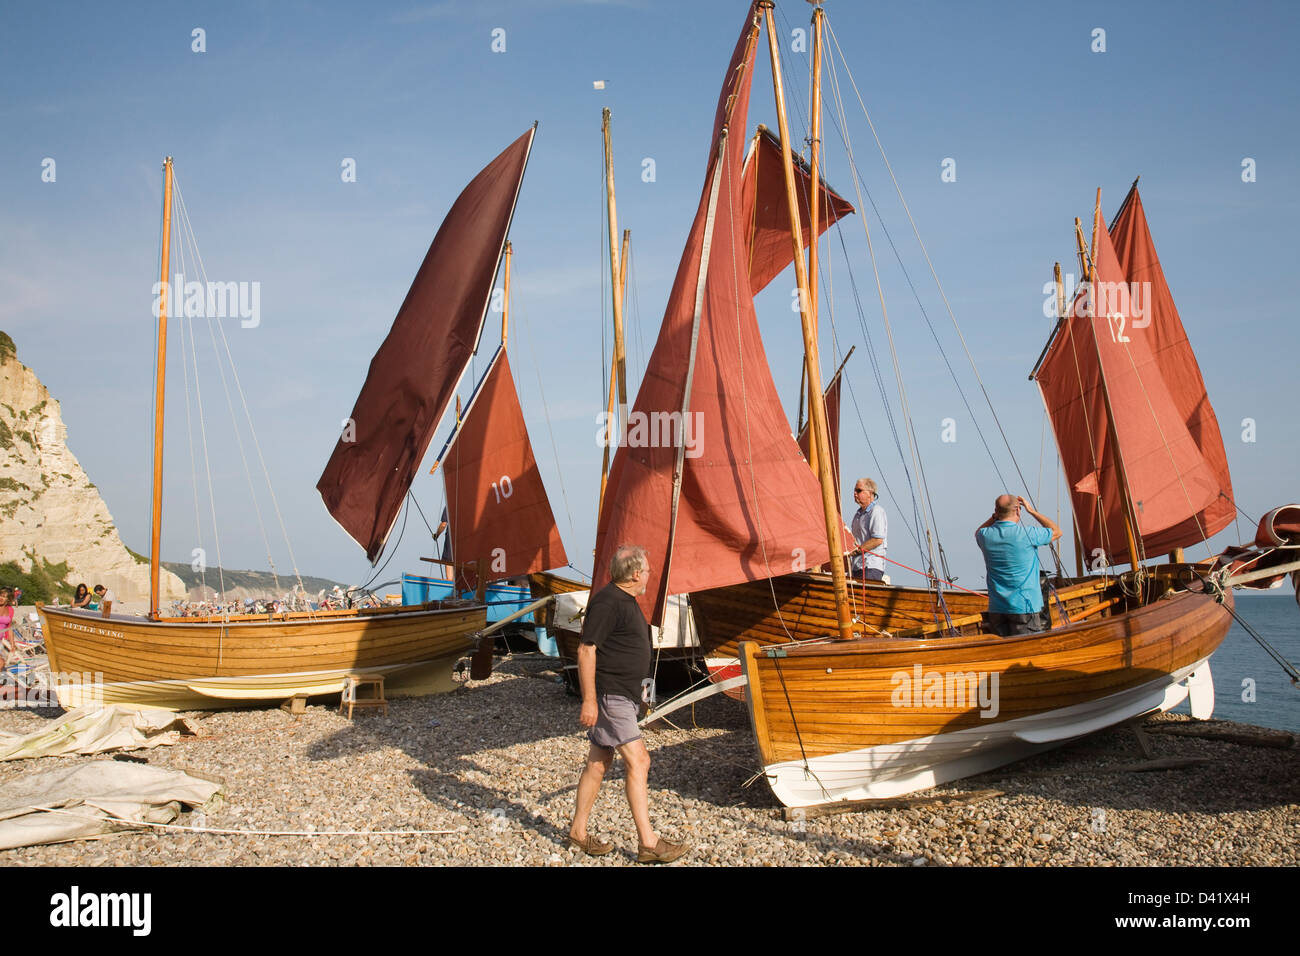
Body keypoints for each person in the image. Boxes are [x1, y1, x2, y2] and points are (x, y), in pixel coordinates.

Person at [568, 544, 687, 864]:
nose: (649, 574)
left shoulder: (624, 600)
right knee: (640, 761)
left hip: (623, 694)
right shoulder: (607, 602)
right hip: (610, 695)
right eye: (647, 570)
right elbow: (586, 650)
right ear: (635, 574)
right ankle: (648, 843)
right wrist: (590, 701)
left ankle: (577, 832)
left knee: (598, 762)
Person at [976, 494, 1062, 636]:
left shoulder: (985, 535)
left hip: (997, 608)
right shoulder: (1028, 534)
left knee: (1005, 653)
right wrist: (1032, 511)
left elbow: (977, 532)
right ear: (1018, 510)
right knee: (1027, 652)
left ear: (996, 512)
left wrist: (995, 516)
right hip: (1024, 607)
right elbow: (1057, 531)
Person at [847, 477, 888, 581]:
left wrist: (856, 551)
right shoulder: (857, 515)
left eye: (859, 491)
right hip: (857, 567)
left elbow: (877, 540)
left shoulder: (876, 512)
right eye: (855, 490)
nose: (855, 493)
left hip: (871, 567)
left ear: (870, 493)